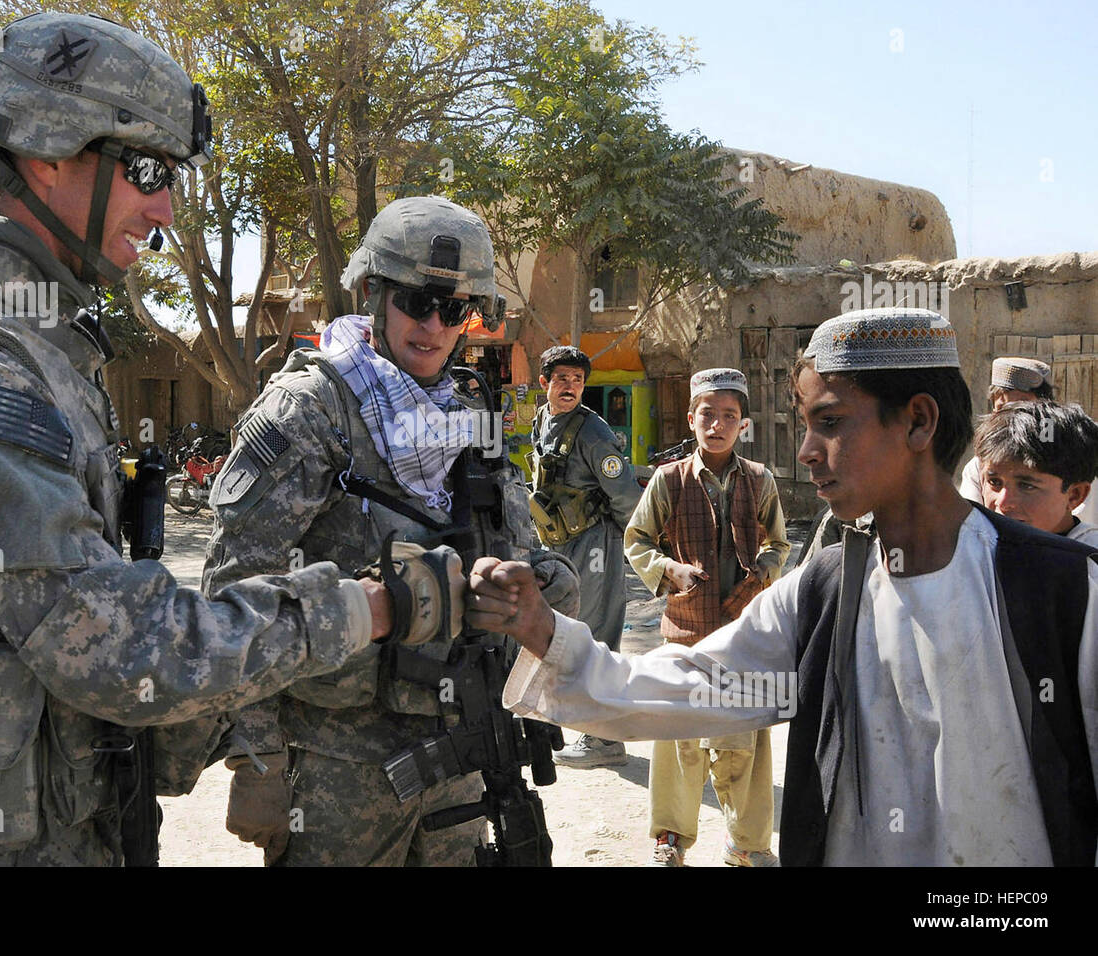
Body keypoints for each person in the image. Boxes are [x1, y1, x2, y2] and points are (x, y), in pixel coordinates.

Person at [0, 13, 454, 867]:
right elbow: (114, 648)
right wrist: (361, 609)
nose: (167, 208)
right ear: (45, 153)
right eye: (146, 170)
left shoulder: (31, 343)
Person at [479, 308, 1098, 866]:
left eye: (829, 423)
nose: (805, 451)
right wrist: (545, 633)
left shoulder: (1065, 589)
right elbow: (686, 686)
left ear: (918, 421)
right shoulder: (824, 591)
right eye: (806, 424)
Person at [201, 195, 579, 866]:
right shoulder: (310, 409)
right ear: (373, 292)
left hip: (457, 752)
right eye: (416, 300)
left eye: (455, 308)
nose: (434, 326)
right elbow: (237, 591)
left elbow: (519, 554)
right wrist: (255, 759)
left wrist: (540, 584)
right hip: (336, 763)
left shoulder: (469, 418)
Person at [623, 368, 788, 866]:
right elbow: (636, 539)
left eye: (729, 417)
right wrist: (668, 569)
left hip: (741, 634)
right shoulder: (668, 480)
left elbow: (780, 542)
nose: (717, 424)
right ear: (692, 419)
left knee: (745, 741)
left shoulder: (760, 480)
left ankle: (748, 844)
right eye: (708, 415)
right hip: (685, 632)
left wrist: (763, 571)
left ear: (744, 425)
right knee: (678, 739)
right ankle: (670, 840)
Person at [528, 345, 643, 768]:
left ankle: (604, 741)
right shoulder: (544, 422)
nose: (570, 387)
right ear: (545, 383)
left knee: (598, 639)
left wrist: (623, 545)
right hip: (558, 547)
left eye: (577, 380)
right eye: (562, 379)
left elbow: (628, 496)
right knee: (561, 637)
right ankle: (570, 725)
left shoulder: (592, 432)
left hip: (595, 544)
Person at [959, 356, 1098, 524]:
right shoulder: (980, 466)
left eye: (1027, 485)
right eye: (1002, 410)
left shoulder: (1073, 459)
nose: (1012, 419)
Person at [975, 400, 1098, 547]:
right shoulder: (975, 550)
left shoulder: (1090, 561)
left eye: (1026, 486)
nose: (1003, 502)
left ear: (1074, 495)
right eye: (994, 482)